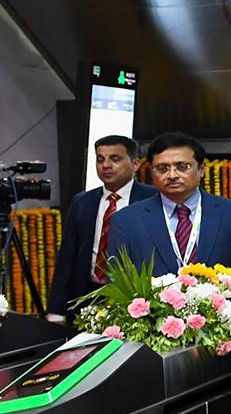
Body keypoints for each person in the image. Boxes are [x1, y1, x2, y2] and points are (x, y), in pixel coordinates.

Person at [107, 132, 231, 281]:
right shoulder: (127, 221)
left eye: (182, 167)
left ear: (201, 169)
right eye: (162, 168)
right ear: (151, 172)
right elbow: (117, 286)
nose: (172, 175)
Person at [47, 135, 157, 321]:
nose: (106, 165)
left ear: (135, 164)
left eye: (115, 159)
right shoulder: (82, 202)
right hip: (87, 296)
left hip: (136, 297)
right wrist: (56, 309)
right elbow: (67, 258)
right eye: (100, 159)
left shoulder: (153, 200)